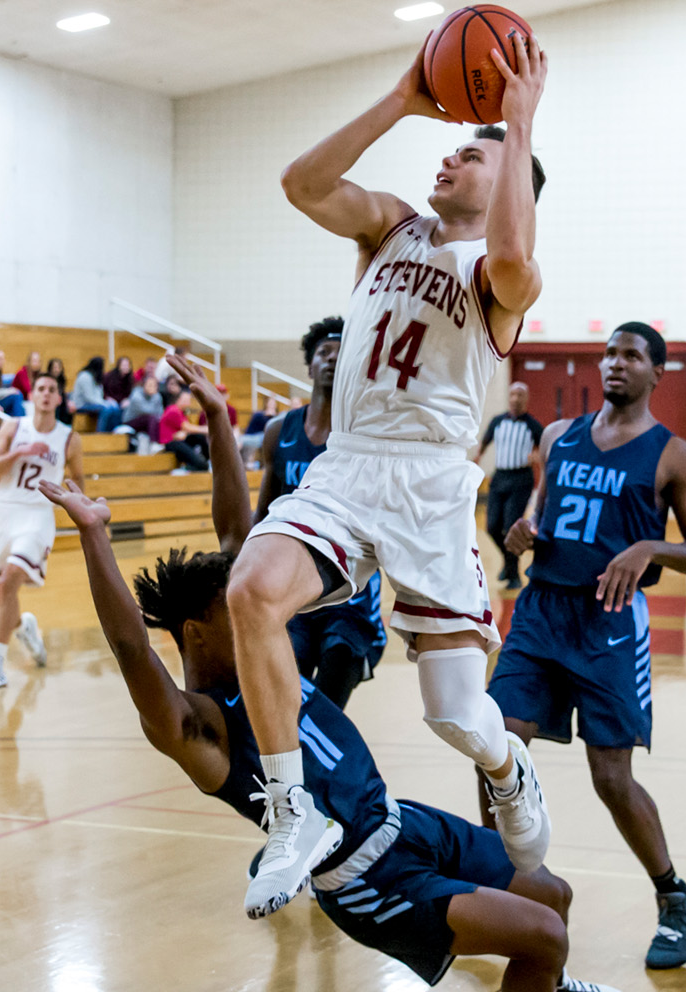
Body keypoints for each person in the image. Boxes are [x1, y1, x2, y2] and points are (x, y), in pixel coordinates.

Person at [37, 375, 624, 992]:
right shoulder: (200, 728)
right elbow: (133, 648)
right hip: (367, 880)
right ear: (195, 632)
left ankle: (541, 983)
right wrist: (93, 533)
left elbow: (238, 534)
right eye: (232, 609)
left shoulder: (262, 652)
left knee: (552, 893)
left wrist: (220, 417)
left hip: (402, 821)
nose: (258, 608)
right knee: (544, 934)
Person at [228, 31, 554, 918]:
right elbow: (302, 184)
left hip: (429, 486)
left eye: (474, 154)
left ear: (512, 182)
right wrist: (404, 101)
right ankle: (292, 811)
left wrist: (518, 123)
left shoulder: (502, 279)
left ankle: (507, 765)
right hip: (349, 465)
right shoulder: (390, 226)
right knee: (251, 591)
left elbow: (515, 260)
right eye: (455, 148)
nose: (451, 157)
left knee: (453, 714)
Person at [491, 322, 686, 971]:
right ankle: (504, 885)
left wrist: (650, 547)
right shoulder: (557, 436)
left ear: (656, 372)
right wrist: (526, 529)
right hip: (540, 612)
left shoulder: (672, 455)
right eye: (610, 354)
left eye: (632, 355)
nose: (616, 363)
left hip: (610, 624)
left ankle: (674, 897)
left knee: (611, 778)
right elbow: (541, 509)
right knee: (496, 746)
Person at [253, 320, 386, 710]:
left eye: (340, 354)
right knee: (286, 704)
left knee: (326, 706)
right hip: (292, 594)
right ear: (309, 366)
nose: (331, 359)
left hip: (349, 594)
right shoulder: (279, 431)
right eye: (323, 353)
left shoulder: (365, 433)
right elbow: (263, 515)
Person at [0, 372, 84, 690]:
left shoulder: (69, 438)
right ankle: (25, 629)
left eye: (52, 390)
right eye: (40, 389)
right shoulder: (13, 427)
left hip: (37, 516)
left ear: (59, 398)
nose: (46, 394)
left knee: (9, 581)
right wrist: (20, 452)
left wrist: (84, 516)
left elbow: (78, 479)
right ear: (32, 395)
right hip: (4, 513)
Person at [479, 383, 545, 589]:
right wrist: (475, 461)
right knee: (491, 526)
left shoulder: (533, 425)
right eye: (513, 394)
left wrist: (537, 456)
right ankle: (509, 565)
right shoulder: (497, 422)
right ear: (508, 397)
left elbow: (546, 450)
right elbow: (483, 444)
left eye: (520, 395)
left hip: (521, 479)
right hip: (499, 477)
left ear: (526, 399)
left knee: (510, 527)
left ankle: (514, 575)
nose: (516, 398)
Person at [158, 389, 210, 473]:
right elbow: (188, 428)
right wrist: (207, 429)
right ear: (179, 399)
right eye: (186, 399)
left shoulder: (181, 412)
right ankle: (191, 467)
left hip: (180, 440)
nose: (189, 402)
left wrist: (184, 432)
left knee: (199, 437)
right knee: (201, 465)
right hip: (171, 443)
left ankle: (208, 459)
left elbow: (185, 430)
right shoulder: (173, 410)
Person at [70, 356, 123, 432]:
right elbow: (89, 397)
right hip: (82, 404)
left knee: (115, 407)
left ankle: (112, 432)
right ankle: (100, 432)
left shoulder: (95, 377)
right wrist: (104, 403)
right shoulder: (84, 376)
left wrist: (106, 402)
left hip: (94, 403)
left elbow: (99, 395)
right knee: (106, 409)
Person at [122, 368, 165, 446]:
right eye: (150, 385)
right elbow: (147, 411)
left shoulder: (157, 396)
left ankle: (163, 443)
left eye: (155, 385)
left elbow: (160, 413)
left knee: (158, 420)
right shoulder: (136, 395)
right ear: (144, 385)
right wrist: (155, 399)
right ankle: (153, 443)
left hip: (146, 422)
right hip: (130, 422)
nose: (152, 388)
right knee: (152, 418)